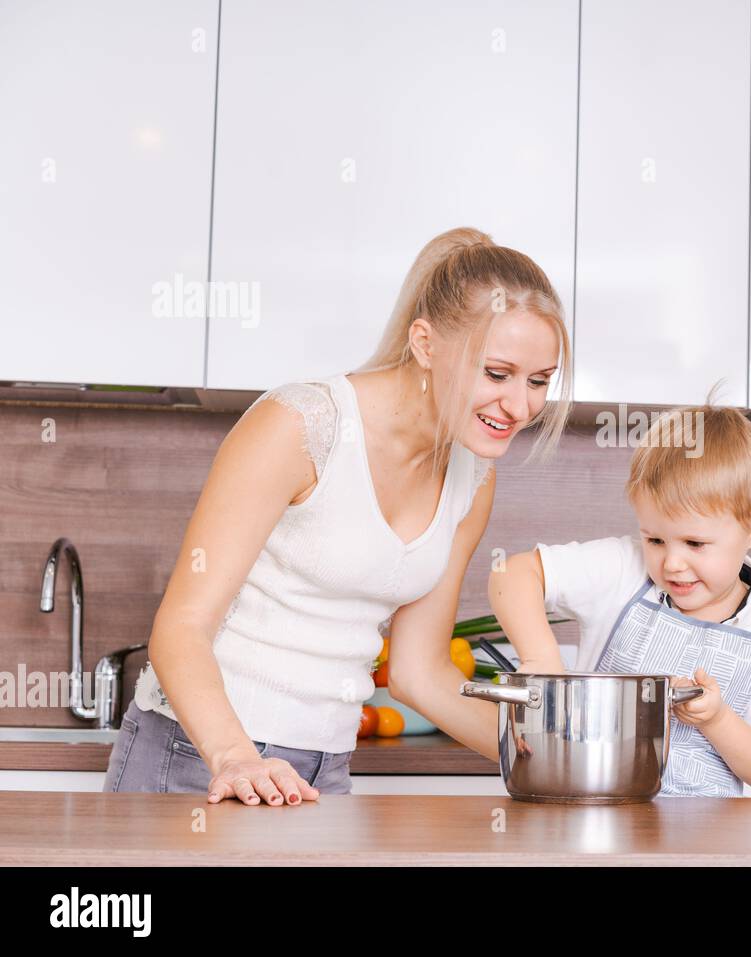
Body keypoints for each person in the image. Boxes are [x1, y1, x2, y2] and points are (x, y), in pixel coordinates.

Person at [104, 227, 572, 805]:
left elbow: (419, 670)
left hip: (323, 770)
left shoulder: (472, 477)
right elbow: (181, 628)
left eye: (539, 382)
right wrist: (235, 759)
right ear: (425, 344)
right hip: (200, 753)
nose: (520, 406)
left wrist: (552, 763)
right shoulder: (301, 426)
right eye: (497, 374)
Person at [489, 401, 751, 795]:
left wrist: (718, 721)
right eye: (655, 539)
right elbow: (511, 573)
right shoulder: (624, 570)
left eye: (695, 543)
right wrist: (542, 662)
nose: (672, 563)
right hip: (593, 826)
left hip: (705, 850)